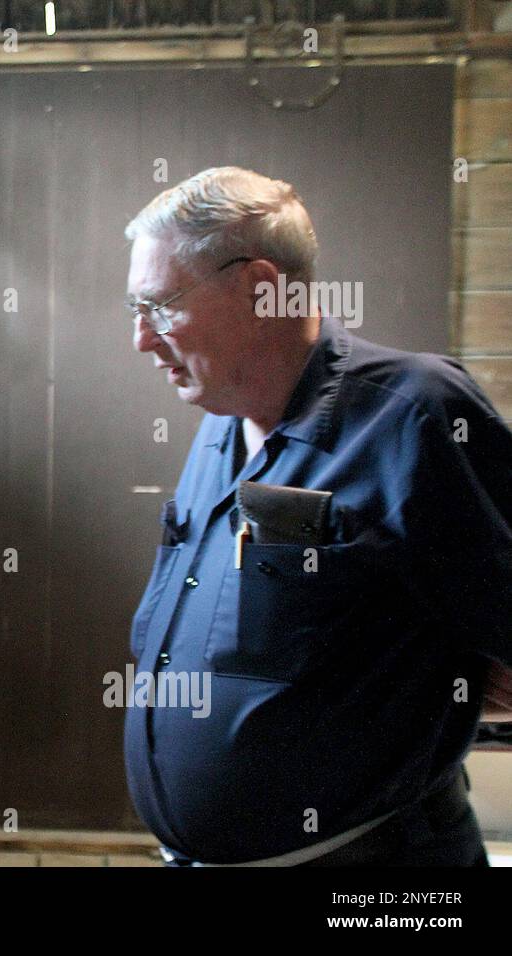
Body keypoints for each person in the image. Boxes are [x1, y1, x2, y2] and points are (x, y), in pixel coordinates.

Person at [123, 166, 512, 866]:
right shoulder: (221, 428)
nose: (143, 341)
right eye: (136, 311)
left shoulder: (414, 414)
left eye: (160, 307)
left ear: (260, 286)